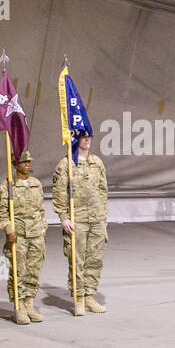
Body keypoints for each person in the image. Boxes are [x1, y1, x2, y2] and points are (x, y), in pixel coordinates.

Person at [52, 132, 108, 314]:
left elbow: (103, 190)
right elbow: (59, 193)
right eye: (83, 136)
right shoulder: (66, 164)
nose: (87, 139)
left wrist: (103, 215)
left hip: (96, 218)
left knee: (95, 259)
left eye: (89, 136)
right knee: (77, 260)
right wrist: (63, 217)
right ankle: (79, 299)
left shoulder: (97, 162)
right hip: (77, 219)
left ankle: (90, 296)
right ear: (75, 139)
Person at [0, 149, 46, 323]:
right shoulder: (7, 185)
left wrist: (42, 230)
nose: (28, 164)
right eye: (24, 162)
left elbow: (41, 210)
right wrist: (9, 229)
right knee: (18, 271)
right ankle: (19, 307)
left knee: (33, 271)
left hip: (36, 234)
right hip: (19, 235)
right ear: (16, 165)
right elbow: (0, 211)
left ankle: (29, 303)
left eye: (29, 161)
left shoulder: (36, 184)